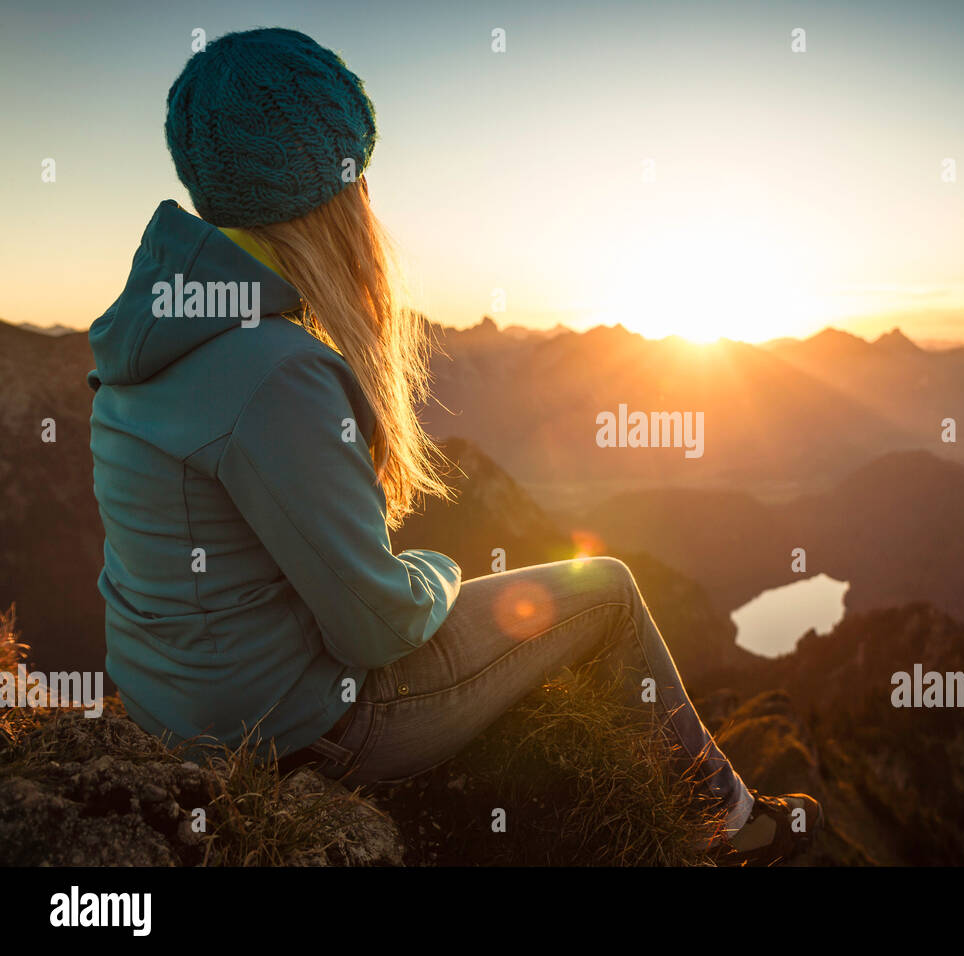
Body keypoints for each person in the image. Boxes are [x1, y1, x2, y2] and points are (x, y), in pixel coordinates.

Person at [87, 27, 821, 866]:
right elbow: (376, 629)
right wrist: (438, 573)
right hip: (301, 730)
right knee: (607, 590)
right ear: (331, 191)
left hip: (171, 710)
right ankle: (733, 825)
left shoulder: (147, 338)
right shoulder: (278, 369)